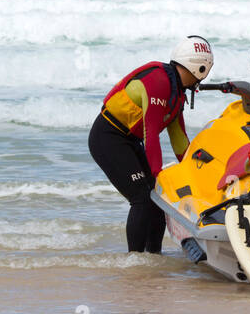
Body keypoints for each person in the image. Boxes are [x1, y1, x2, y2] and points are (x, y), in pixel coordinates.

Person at [88, 36, 214, 253]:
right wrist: (157, 173)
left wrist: (198, 174)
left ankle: (154, 258)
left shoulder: (176, 92)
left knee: (158, 200)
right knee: (142, 199)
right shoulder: (159, 83)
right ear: (201, 68)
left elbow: (180, 141)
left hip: (128, 140)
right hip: (108, 137)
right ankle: (135, 259)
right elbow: (151, 133)